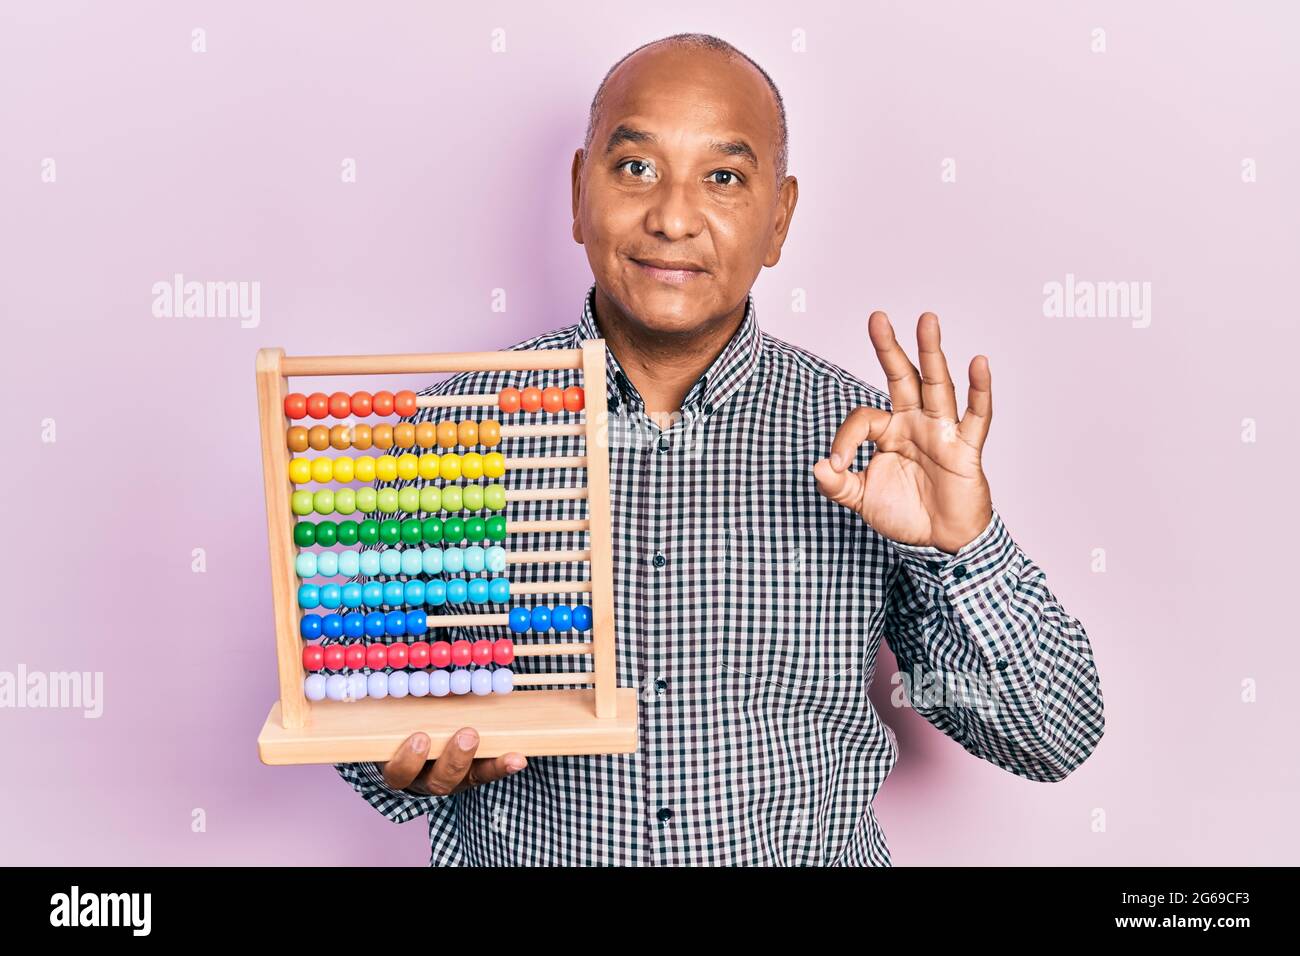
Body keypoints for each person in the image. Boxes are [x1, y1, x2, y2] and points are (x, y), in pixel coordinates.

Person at [333, 32, 1105, 865]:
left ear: (779, 218)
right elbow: (367, 737)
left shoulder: (873, 447)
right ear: (577, 193)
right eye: (635, 168)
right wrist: (397, 762)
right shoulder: (448, 437)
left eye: (725, 178)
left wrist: (965, 549)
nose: (671, 216)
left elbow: (1051, 738)